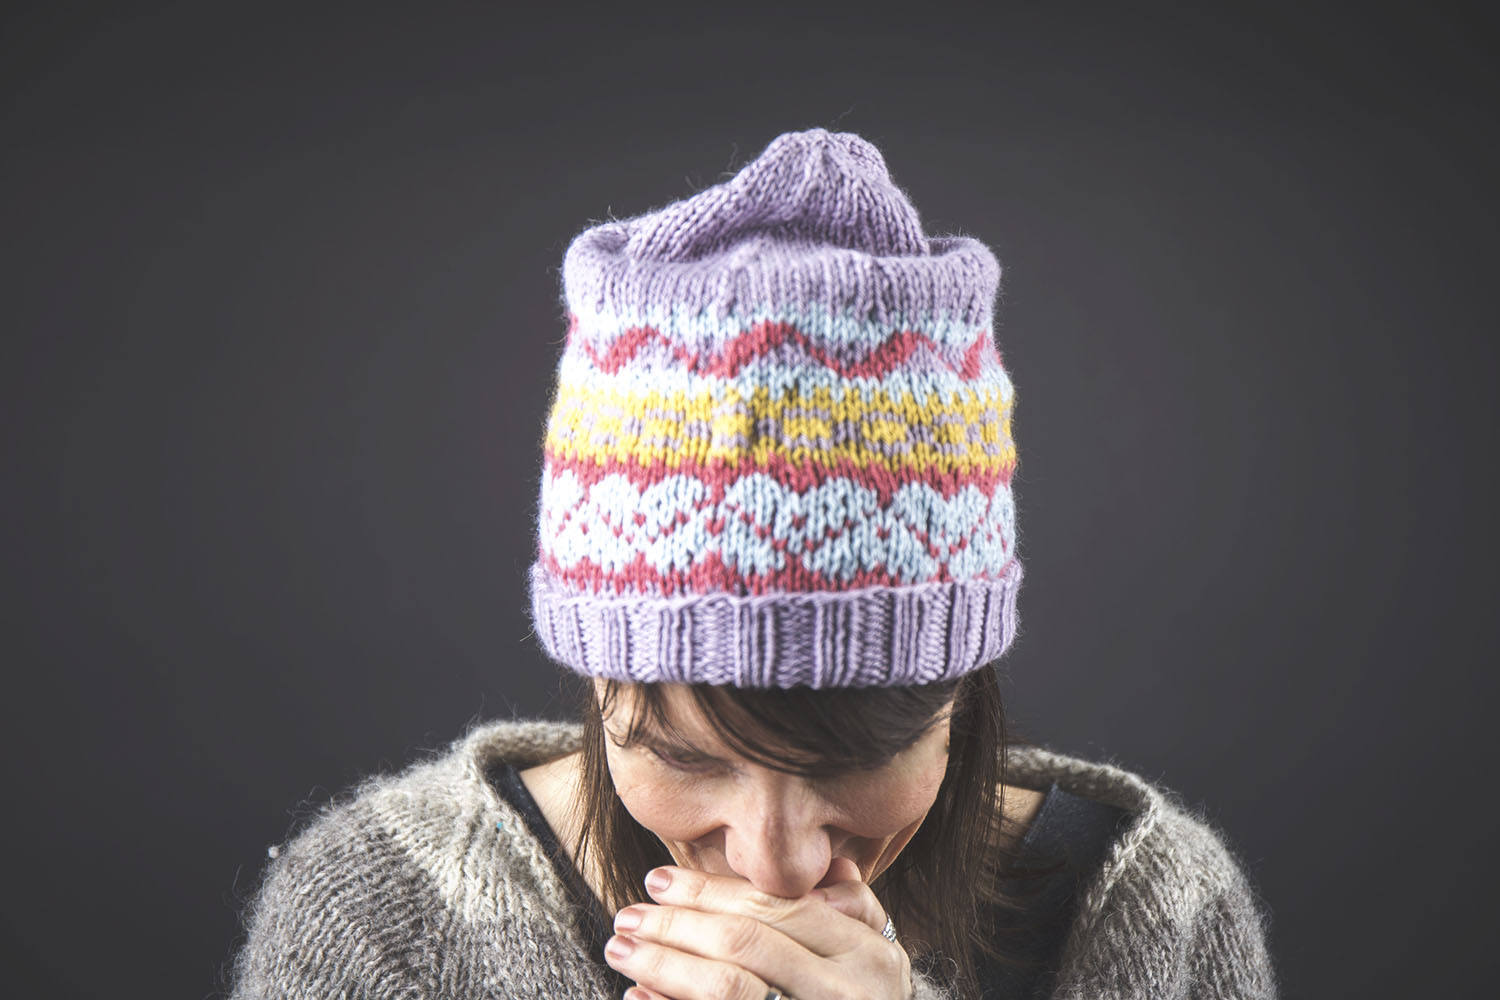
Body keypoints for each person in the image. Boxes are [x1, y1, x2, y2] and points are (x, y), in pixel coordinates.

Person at [224, 128, 1278, 1000]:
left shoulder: (1156, 914)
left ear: (959, 692)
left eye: (846, 759)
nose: (774, 860)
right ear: (602, 684)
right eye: (683, 756)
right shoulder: (383, 918)